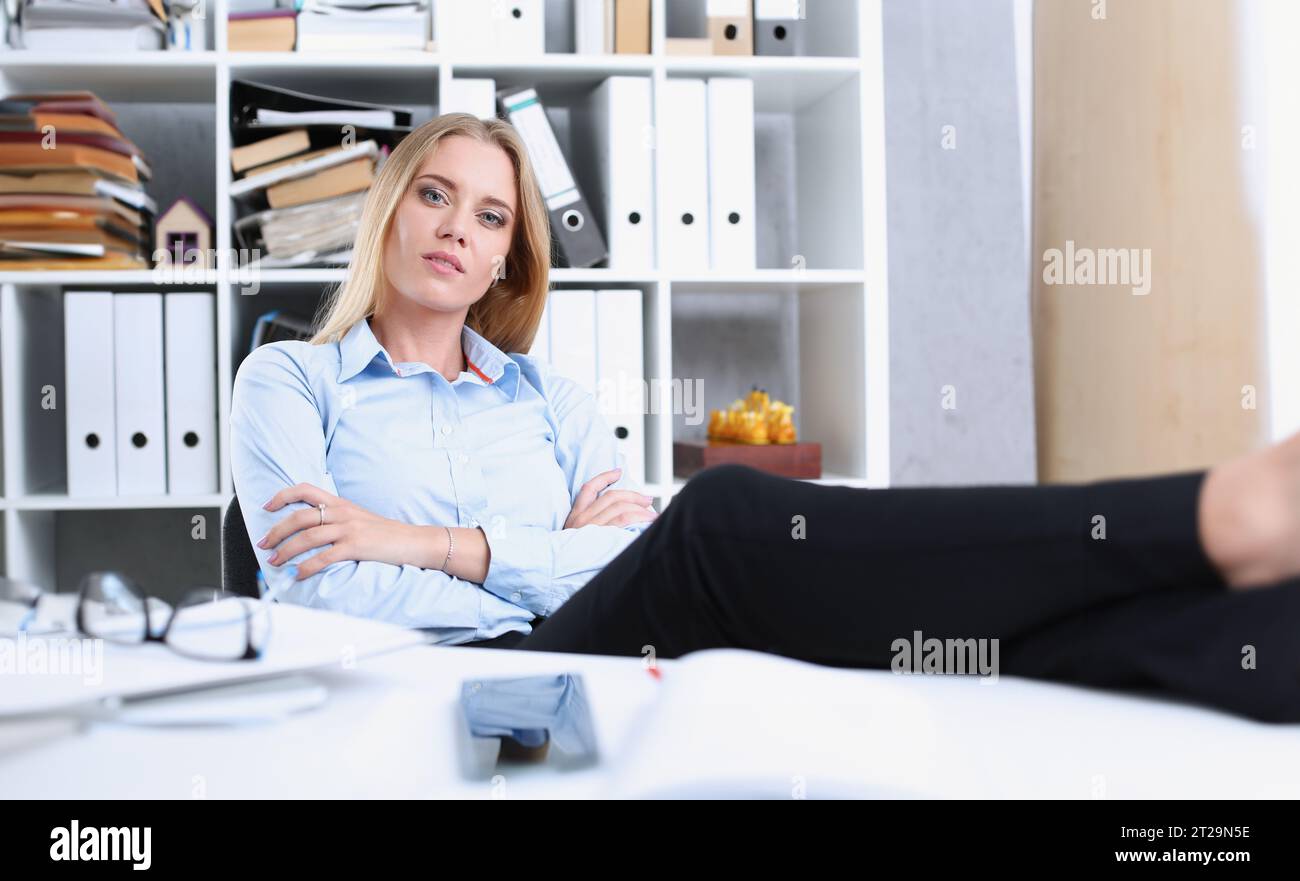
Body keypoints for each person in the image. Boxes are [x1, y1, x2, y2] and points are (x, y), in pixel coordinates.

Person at [231, 113, 1300, 723]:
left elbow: (611, 560)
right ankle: (1218, 512)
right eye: (433, 194)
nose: (456, 227)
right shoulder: (291, 379)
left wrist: (424, 541)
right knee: (722, 520)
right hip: (454, 691)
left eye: (491, 213)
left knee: (872, 639)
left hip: (596, 649)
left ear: (511, 254)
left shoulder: (549, 401)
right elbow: (323, 586)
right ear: (390, 208)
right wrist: (547, 552)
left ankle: (1247, 640)